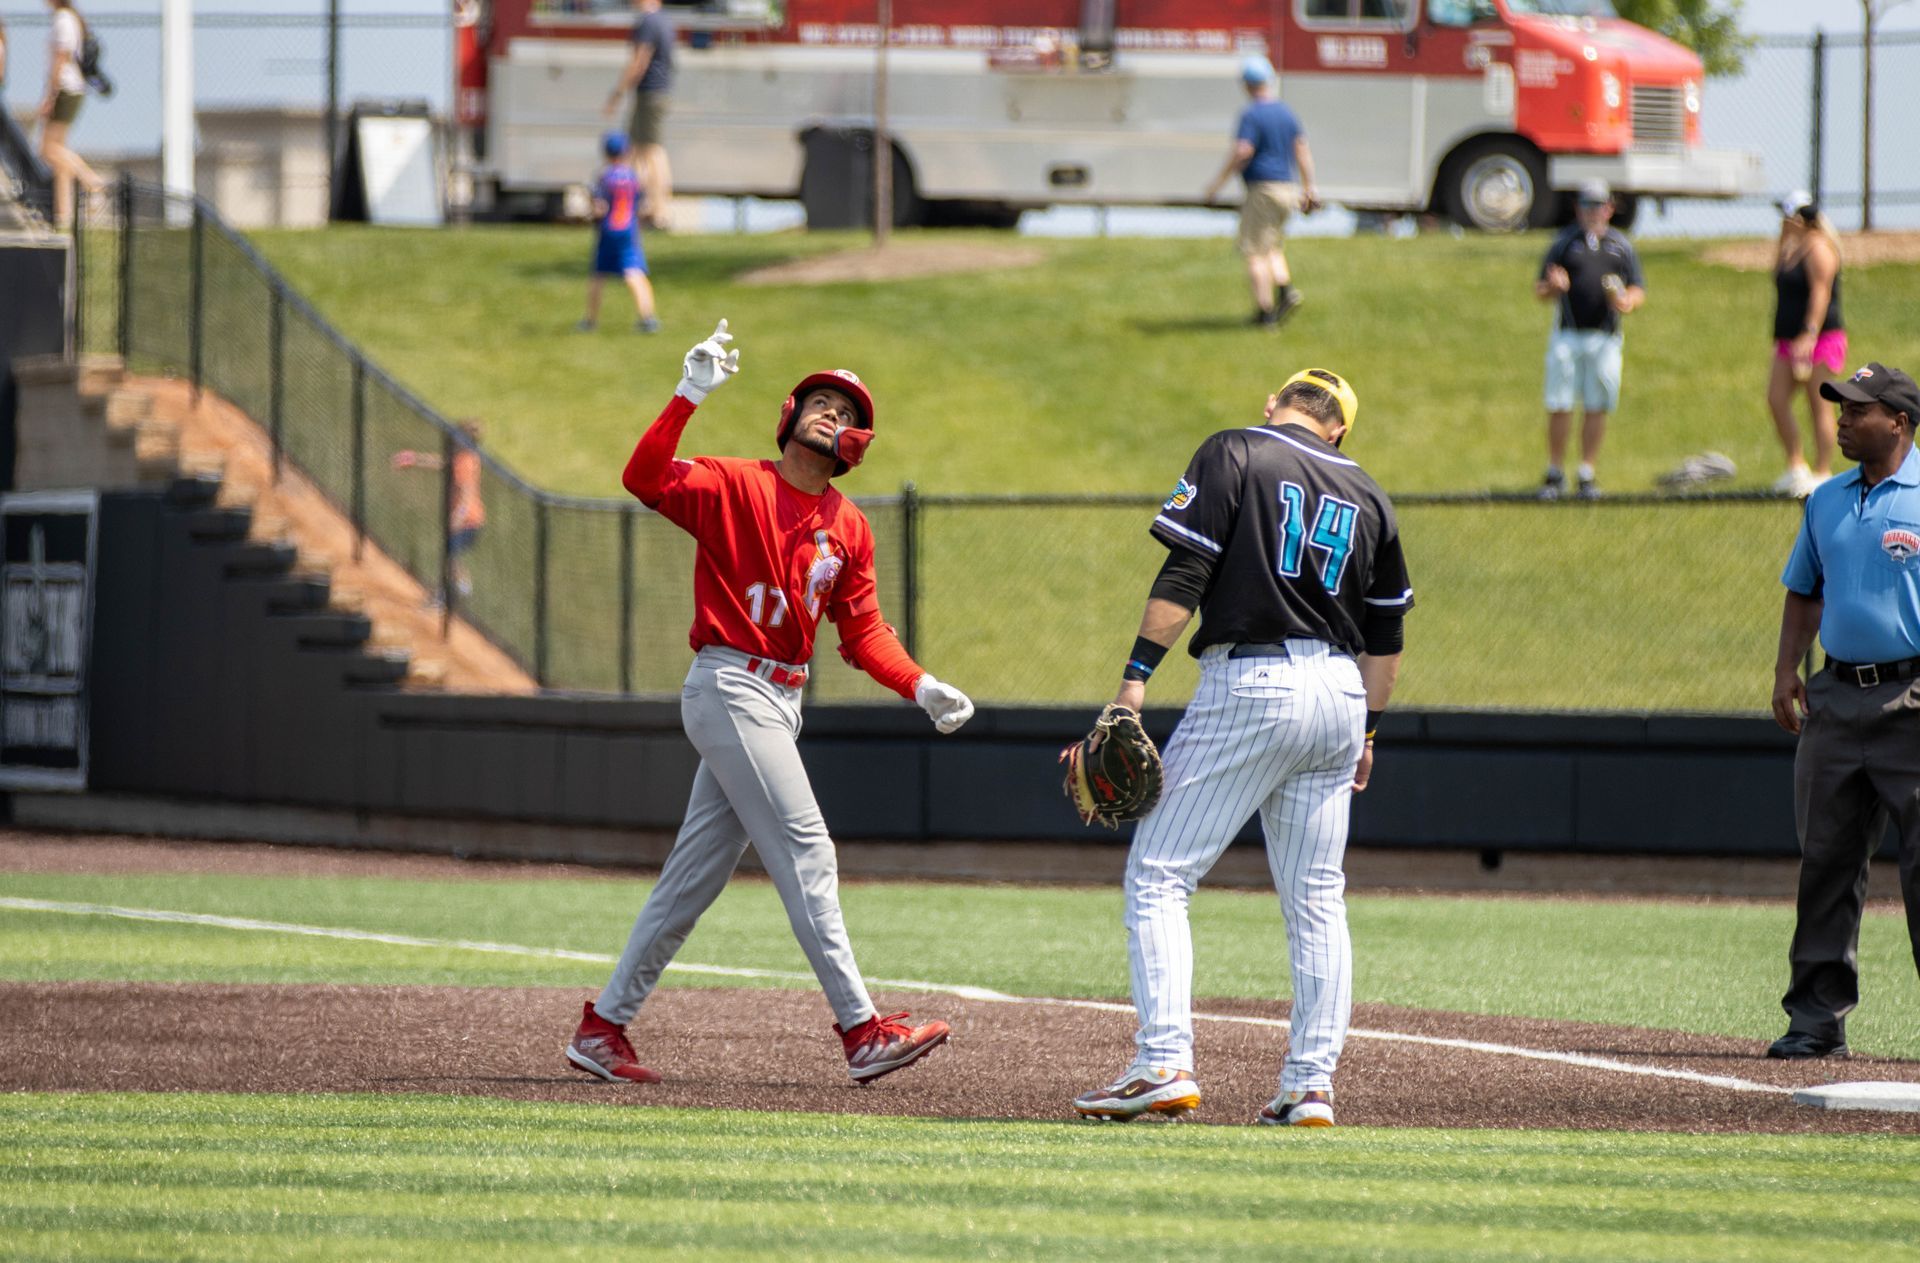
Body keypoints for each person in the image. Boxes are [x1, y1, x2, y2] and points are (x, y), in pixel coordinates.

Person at [566, 319, 975, 1087]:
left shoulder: (849, 526)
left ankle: (602, 1027)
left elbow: (862, 634)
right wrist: (687, 395)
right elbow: (643, 479)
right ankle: (862, 1031)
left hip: (779, 700)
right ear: (790, 412)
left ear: (860, 442)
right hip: (729, 682)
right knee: (808, 849)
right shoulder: (734, 482)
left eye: (849, 412)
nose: (835, 414)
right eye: (823, 401)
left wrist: (919, 683)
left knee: (693, 878)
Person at [1071, 367, 1412, 1127]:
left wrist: (1134, 680)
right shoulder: (1371, 494)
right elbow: (1386, 635)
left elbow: (1187, 567)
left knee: (1159, 873)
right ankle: (1310, 1086)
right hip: (1340, 695)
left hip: (1253, 678)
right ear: (1341, 430)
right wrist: (1369, 731)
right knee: (1318, 898)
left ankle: (1163, 1062)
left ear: (1274, 404)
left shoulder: (1237, 450)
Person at [1769, 360, 1920, 1061]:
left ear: (1899, 420)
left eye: (1858, 408)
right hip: (1834, 696)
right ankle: (1817, 1018)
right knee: (1826, 860)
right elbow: (1804, 589)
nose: (1842, 418)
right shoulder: (1825, 499)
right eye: (1840, 406)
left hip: (1911, 700)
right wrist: (1784, 670)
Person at [1534, 178, 1644, 500]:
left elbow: (1637, 288)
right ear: (1577, 208)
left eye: (1598, 204)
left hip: (1606, 337)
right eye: (1586, 204)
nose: (1592, 211)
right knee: (1560, 402)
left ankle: (1586, 472)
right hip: (1568, 335)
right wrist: (1553, 287)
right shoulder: (1564, 242)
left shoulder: (1620, 246)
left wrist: (1627, 301)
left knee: (1598, 403)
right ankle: (1554, 472)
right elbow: (1540, 289)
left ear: (1609, 208)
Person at [1203, 56, 1317, 328]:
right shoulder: (1286, 113)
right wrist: (1309, 186)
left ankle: (1265, 314)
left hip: (1262, 190)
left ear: (1246, 85)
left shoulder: (1252, 114)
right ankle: (1285, 290)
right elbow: (1301, 149)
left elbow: (1243, 150)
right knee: (1272, 247)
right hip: (1287, 190)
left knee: (1254, 252)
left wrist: (1217, 184)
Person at [1766, 191, 1846, 499]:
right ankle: (1796, 465)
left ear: (1799, 217)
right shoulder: (1790, 248)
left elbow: (1820, 293)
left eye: (1786, 216)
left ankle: (1823, 471)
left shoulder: (1819, 248)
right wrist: (1783, 240)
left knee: (1819, 403)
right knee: (1776, 398)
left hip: (1820, 339)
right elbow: (1777, 277)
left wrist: (1809, 333)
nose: (1782, 222)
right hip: (1788, 340)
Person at [391, 419, 487, 603]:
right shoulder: (463, 458)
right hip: (470, 519)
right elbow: (440, 463)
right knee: (450, 556)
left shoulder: (465, 463)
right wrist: (414, 459)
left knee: (449, 556)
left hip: (468, 520)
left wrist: (457, 518)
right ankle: (460, 589)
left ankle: (451, 594)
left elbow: (466, 494)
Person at [578, 132, 660, 334]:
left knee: (599, 274)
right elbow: (641, 203)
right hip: (628, 229)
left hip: (609, 229)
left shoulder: (605, 177)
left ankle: (590, 320)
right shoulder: (633, 176)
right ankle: (648, 318)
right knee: (634, 272)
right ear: (626, 151)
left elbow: (599, 206)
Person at [604, 0, 674, 229]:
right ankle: (640, 206)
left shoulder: (648, 21)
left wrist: (617, 93)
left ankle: (660, 210)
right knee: (637, 151)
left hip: (650, 93)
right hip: (657, 93)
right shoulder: (664, 19)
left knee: (652, 151)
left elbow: (639, 61)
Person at [36, 0, 104, 230]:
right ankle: (63, 212)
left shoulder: (63, 19)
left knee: (47, 149)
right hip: (71, 88)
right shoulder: (72, 19)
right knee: (59, 154)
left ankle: (91, 181)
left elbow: (60, 59)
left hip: (65, 89)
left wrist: (50, 95)